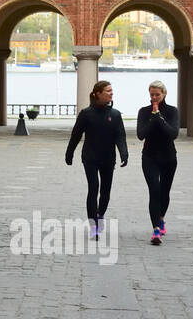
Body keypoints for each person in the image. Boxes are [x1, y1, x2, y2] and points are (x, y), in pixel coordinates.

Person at [65, 80, 128, 240]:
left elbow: (120, 135)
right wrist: (69, 152)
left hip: (108, 158)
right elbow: (76, 134)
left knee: (105, 191)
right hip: (90, 157)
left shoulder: (115, 114)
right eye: (108, 91)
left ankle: (100, 215)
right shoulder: (86, 113)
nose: (111, 93)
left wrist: (124, 153)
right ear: (98, 94)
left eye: (111, 90)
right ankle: (93, 225)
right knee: (93, 188)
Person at [137, 80, 179, 246]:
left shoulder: (172, 111)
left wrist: (159, 117)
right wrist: (152, 118)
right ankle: (155, 229)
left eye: (157, 95)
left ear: (164, 94)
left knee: (164, 191)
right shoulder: (143, 111)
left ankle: (161, 218)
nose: (154, 98)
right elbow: (141, 134)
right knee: (154, 191)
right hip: (149, 156)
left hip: (168, 157)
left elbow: (173, 133)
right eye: (152, 94)